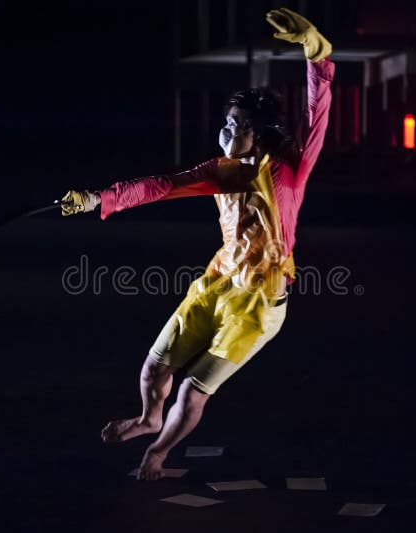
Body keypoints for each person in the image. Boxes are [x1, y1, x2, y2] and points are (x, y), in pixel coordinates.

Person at [62, 7, 334, 481]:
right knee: (153, 370)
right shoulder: (220, 171)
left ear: (258, 133)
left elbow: (318, 112)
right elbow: (160, 185)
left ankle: (157, 453)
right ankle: (148, 419)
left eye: (237, 124)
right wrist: (96, 199)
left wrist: (315, 52)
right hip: (217, 284)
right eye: (226, 122)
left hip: (258, 306)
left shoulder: (290, 168)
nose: (227, 132)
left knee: (191, 391)